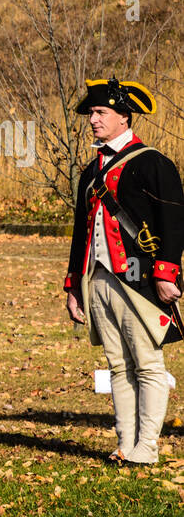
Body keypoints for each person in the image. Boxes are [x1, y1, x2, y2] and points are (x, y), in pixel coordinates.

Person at [64, 78, 183, 465]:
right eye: (92, 114)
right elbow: (81, 233)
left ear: (123, 117)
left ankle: (146, 447)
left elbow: (174, 222)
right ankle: (125, 443)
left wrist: (167, 273)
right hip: (97, 278)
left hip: (140, 281)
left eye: (100, 113)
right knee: (118, 366)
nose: (93, 120)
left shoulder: (153, 163)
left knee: (147, 364)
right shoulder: (89, 172)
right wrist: (73, 286)